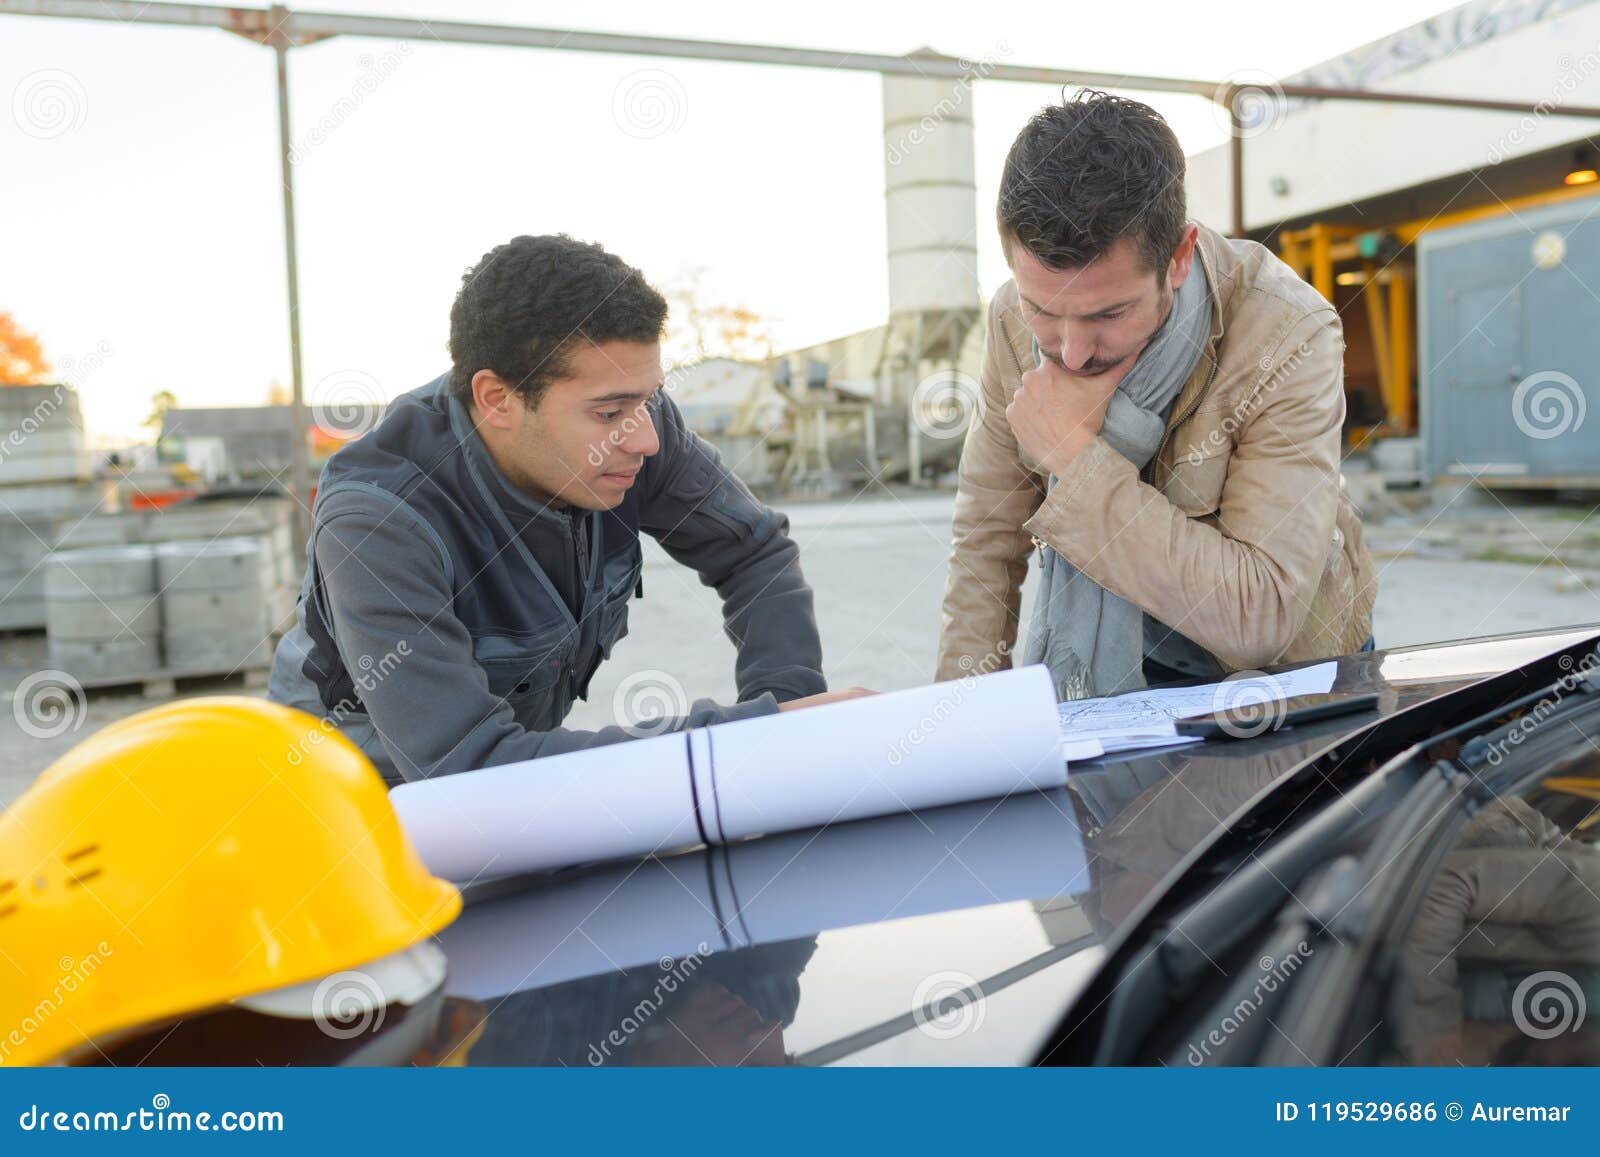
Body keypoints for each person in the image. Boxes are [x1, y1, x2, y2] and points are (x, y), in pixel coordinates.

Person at [270, 234, 865, 783]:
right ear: (498, 399)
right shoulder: (380, 519)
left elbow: (755, 553)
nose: (646, 440)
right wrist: (744, 740)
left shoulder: (632, 428)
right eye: (609, 414)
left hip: (519, 771)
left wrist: (790, 708)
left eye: (649, 401)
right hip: (351, 801)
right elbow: (465, 769)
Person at [936, 91, 1377, 700]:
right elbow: (987, 538)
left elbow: (1259, 616)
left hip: (1287, 684)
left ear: (1179, 256)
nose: (1071, 352)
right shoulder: (1011, 320)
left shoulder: (1287, 332)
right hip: (1130, 675)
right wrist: (958, 717)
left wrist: (1075, 457)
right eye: (1043, 309)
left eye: (1108, 314)